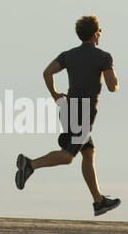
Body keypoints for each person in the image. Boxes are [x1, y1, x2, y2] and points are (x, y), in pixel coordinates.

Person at [15, 14, 121, 216]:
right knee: (68, 156)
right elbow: (112, 86)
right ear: (96, 34)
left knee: (88, 152)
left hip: (67, 109)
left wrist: (55, 95)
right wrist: (115, 79)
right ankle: (30, 165)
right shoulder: (104, 57)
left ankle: (99, 201)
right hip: (83, 115)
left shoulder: (68, 55)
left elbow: (47, 72)